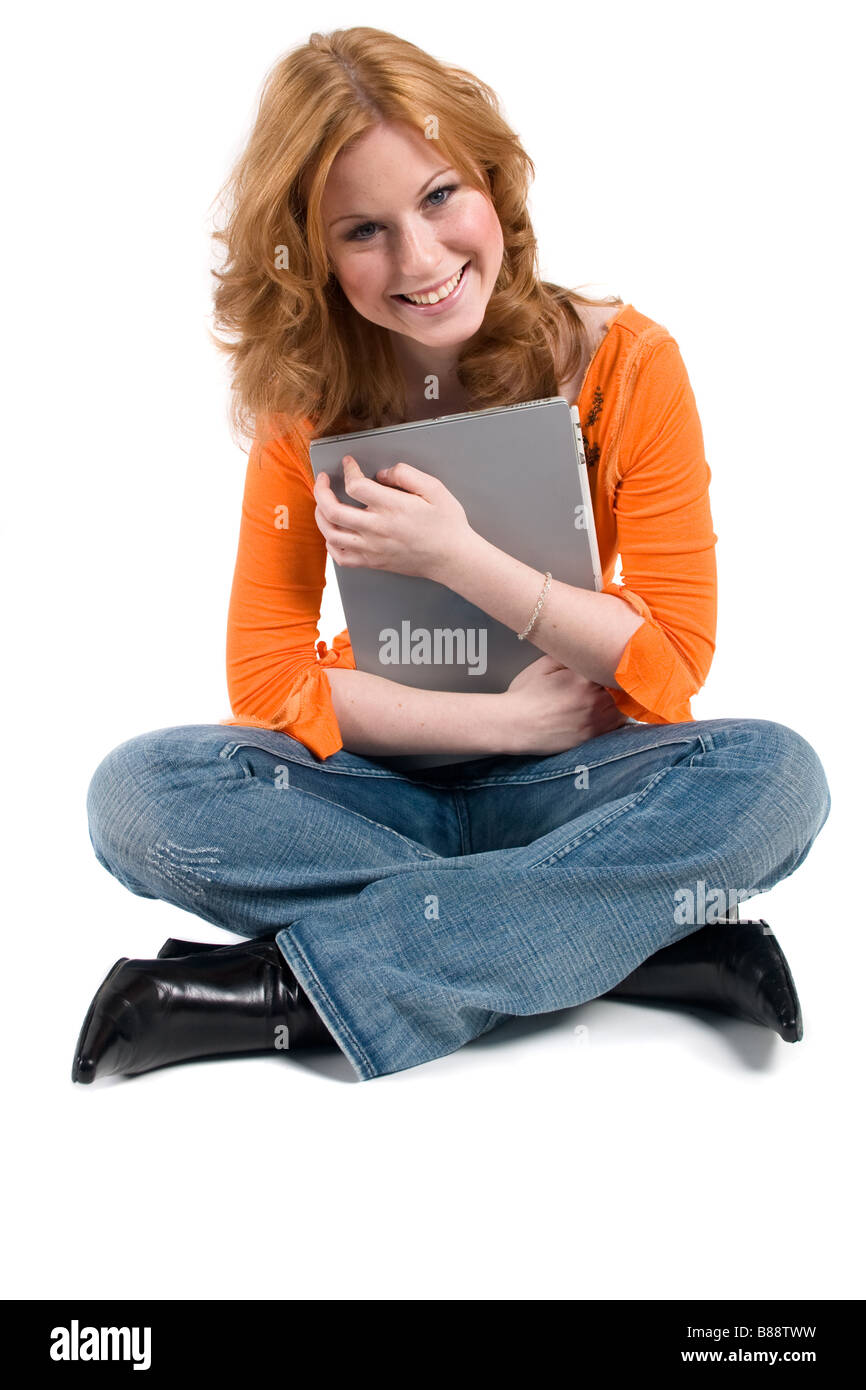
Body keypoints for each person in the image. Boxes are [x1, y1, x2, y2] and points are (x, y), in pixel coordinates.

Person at [72, 27, 831, 1085]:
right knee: (138, 799)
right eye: (364, 231)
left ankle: (286, 992)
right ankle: (617, 932)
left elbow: (668, 662)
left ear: (490, 182)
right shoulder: (306, 407)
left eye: (438, 197)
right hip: (380, 784)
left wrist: (460, 557)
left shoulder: (628, 363)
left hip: (578, 779)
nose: (421, 261)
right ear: (317, 257)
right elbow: (266, 678)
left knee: (774, 780)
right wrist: (497, 721)